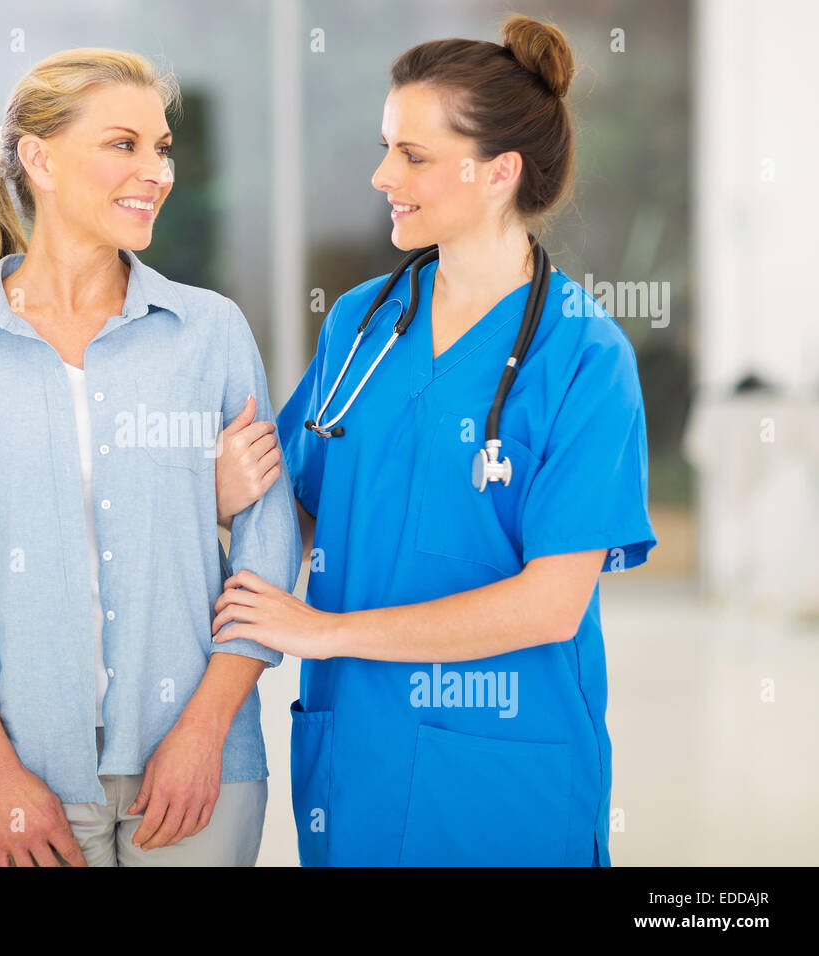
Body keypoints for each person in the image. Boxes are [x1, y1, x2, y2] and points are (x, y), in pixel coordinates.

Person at [212, 16, 658, 866]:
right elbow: (297, 507)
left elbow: (550, 603)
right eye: (387, 147)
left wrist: (329, 631)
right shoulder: (364, 323)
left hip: (507, 763)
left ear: (498, 173)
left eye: (413, 156)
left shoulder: (585, 355)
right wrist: (229, 495)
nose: (383, 176)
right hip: (358, 750)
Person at [0, 47, 300, 867]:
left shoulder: (209, 331)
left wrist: (206, 728)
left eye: (163, 148)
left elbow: (267, 548)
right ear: (37, 159)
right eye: (124, 144)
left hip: (199, 769)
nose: (156, 170)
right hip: (29, 777)